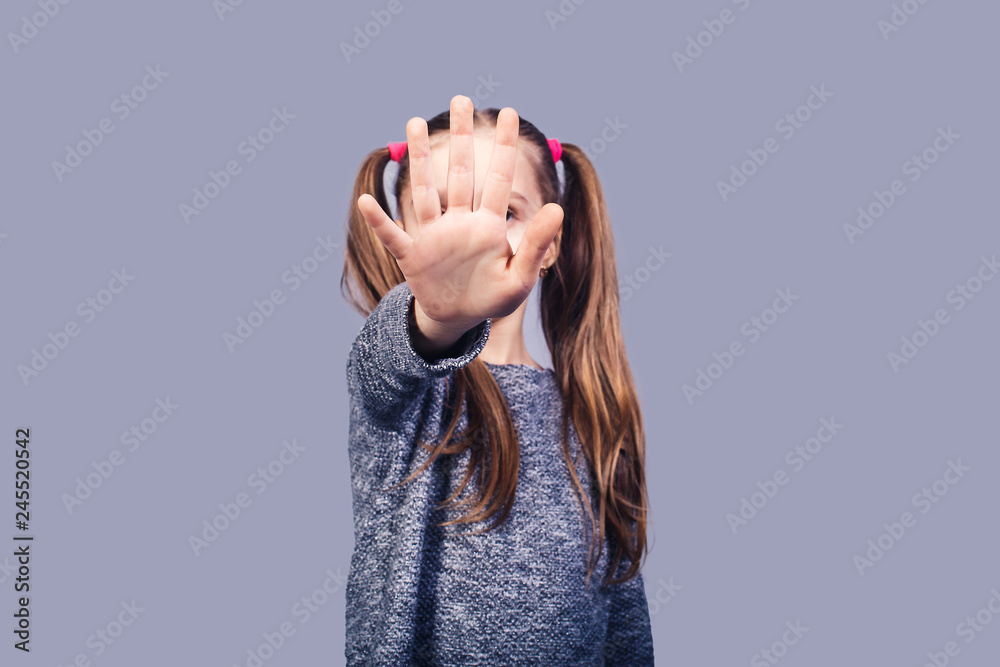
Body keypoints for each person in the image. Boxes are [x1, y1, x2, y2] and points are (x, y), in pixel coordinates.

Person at [340, 95, 653, 665]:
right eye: (438, 214)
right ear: (400, 235)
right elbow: (381, 364)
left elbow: (624, 627)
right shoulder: (404, 392)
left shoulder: (591, 412)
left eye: (504, 212)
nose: (473, 235)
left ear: (550, 244)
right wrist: (436, 315)